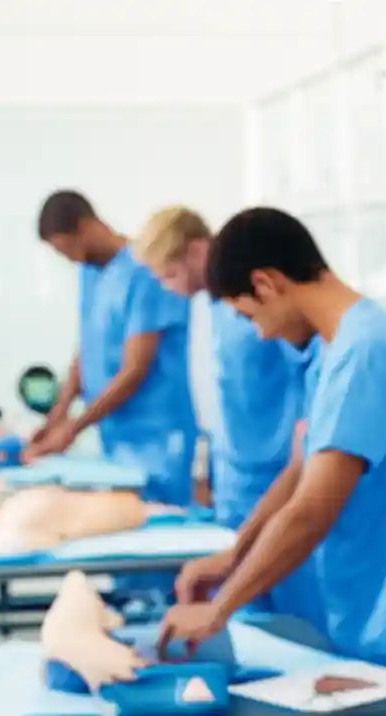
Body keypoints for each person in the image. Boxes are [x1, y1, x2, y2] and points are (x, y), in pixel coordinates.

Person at [158, 208, 386, 716]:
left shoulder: (366, 353)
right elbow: (299, 470)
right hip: (374, 605)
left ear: (267, 284)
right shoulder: (331, 351)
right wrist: (232, 558)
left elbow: (312, 509)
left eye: (248, 315)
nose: (259, 334)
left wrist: (219, 610)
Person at [129, 206, 325, 631]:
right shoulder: (212, 310)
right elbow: (219, 397)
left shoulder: (259, 308)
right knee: (245, 621)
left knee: (294, 623)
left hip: (280, 479)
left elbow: (310, 380)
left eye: (169, 274)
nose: (168, 289)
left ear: (197, 250)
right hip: (235, 483)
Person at [28, 190, 198, 507]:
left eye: (68, 249)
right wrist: (57, 415)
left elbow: (135, 370)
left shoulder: (147, 270)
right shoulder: (90, 274)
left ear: (87, 226)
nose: (71, 260)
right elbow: (87, 348)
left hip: (157, 435)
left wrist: (73, 428)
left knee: (163, 526)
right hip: (116, 435)